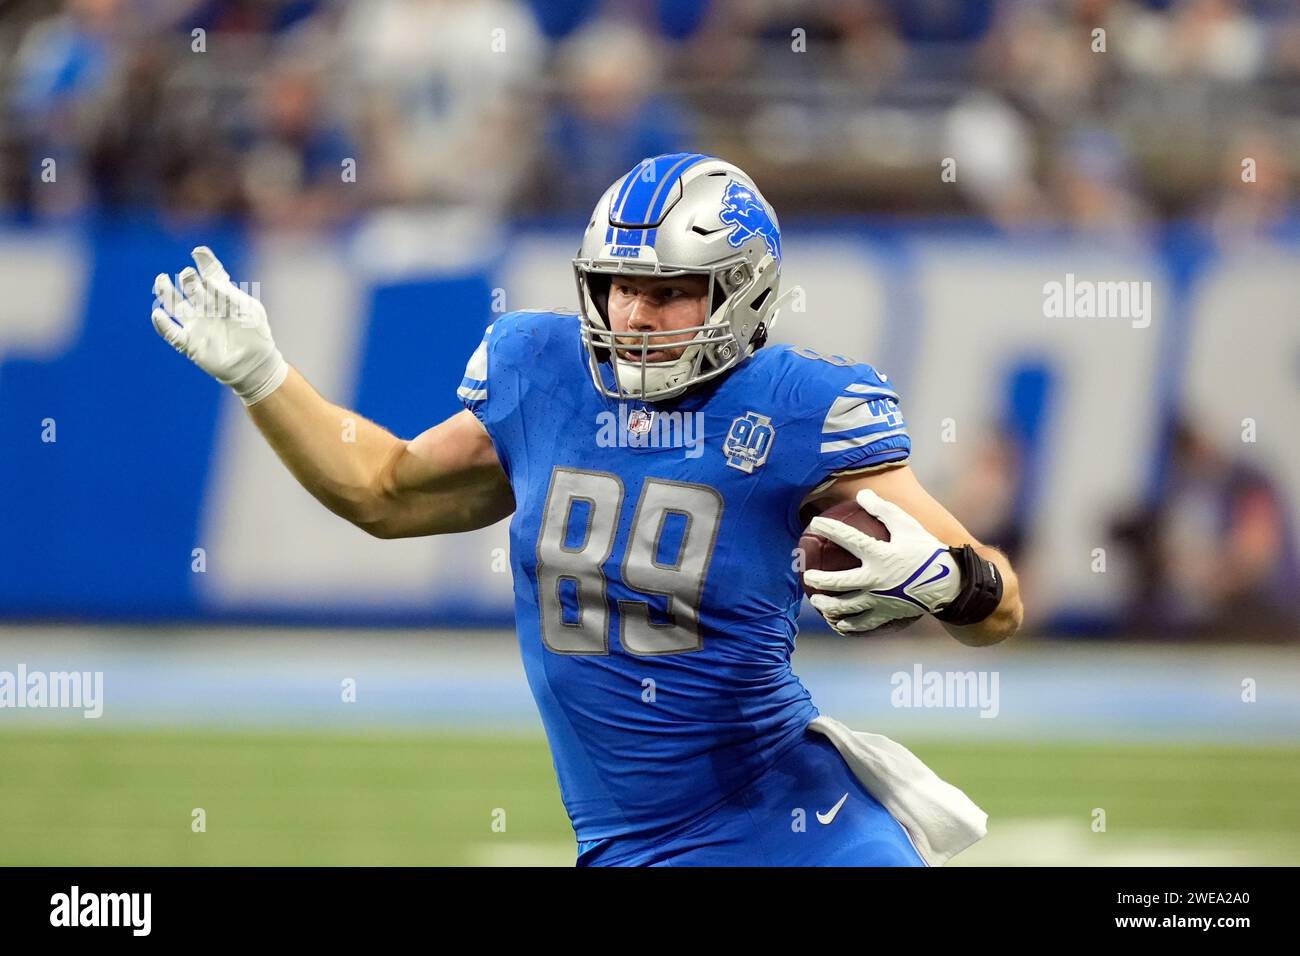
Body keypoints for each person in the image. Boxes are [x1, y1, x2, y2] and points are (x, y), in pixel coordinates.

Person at [150, 152, 1022, 866]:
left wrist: (954, 586)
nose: (635, 315)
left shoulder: (798, 408)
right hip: (628, 846)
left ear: (741, 291)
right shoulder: (542, 373)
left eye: (671, 291)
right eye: (618, 286)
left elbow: (1000, 607)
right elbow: (380, 491)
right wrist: (264, 377)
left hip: (797, 831)